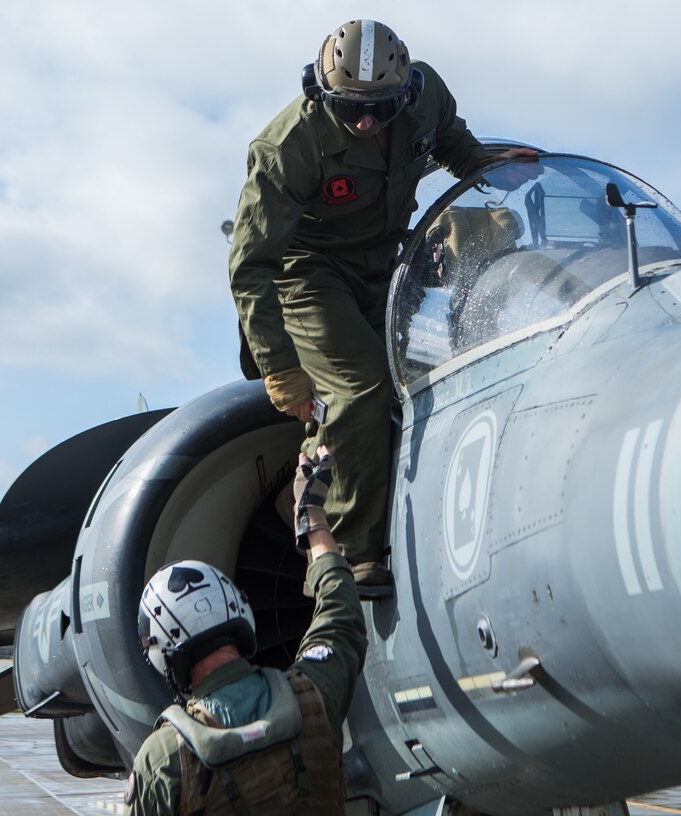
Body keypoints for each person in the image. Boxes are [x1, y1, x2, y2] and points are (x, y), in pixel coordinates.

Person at [229, 19, 538, 587]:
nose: (364, 121)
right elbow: (250, 266)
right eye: (348, 109)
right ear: (320, 93)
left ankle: (313, 497)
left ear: (407, 93)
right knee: (362, 386)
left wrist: (490, 167)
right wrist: (280, 369)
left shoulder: (428, 97)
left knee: (408, 386)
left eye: (378, 107)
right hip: (309, 274)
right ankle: (345, 556)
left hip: (385, 266)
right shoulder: (288, 147)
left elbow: (454, 146)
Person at [125, 446, 366, 815]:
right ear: (237, 613)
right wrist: (311, 517)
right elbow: (341, 609)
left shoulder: (163, 760)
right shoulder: (314, 695)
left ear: (166, 655)